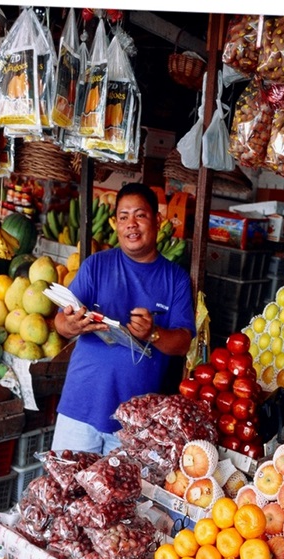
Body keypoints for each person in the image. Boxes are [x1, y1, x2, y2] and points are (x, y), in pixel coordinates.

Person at [50, 182, 196, 455]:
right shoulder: (96, 265)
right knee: (64, 491)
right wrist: (70, 325)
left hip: (134, 422)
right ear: (116, 223)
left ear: (157, 220)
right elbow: (60, 322)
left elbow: (184, 343)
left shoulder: (175, 278)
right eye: (124, 217)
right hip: (80, 406)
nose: (132, 224)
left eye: (140, 215)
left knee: (118, 496)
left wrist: (153, 333)